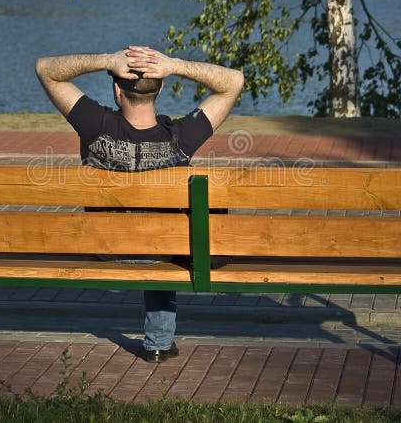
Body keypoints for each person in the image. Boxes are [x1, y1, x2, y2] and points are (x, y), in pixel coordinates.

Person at [35, 45, 244, 362]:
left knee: (153, 234)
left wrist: (106, 60)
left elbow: (45, 69)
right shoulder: (182, 135)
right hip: (163, 249)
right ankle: (158, 342)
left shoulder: (94, 124)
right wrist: (173, 65)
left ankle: (159, 337)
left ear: (117, 90)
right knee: (164, 236)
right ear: (160, 88)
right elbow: (234, 81)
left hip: (107, 247)